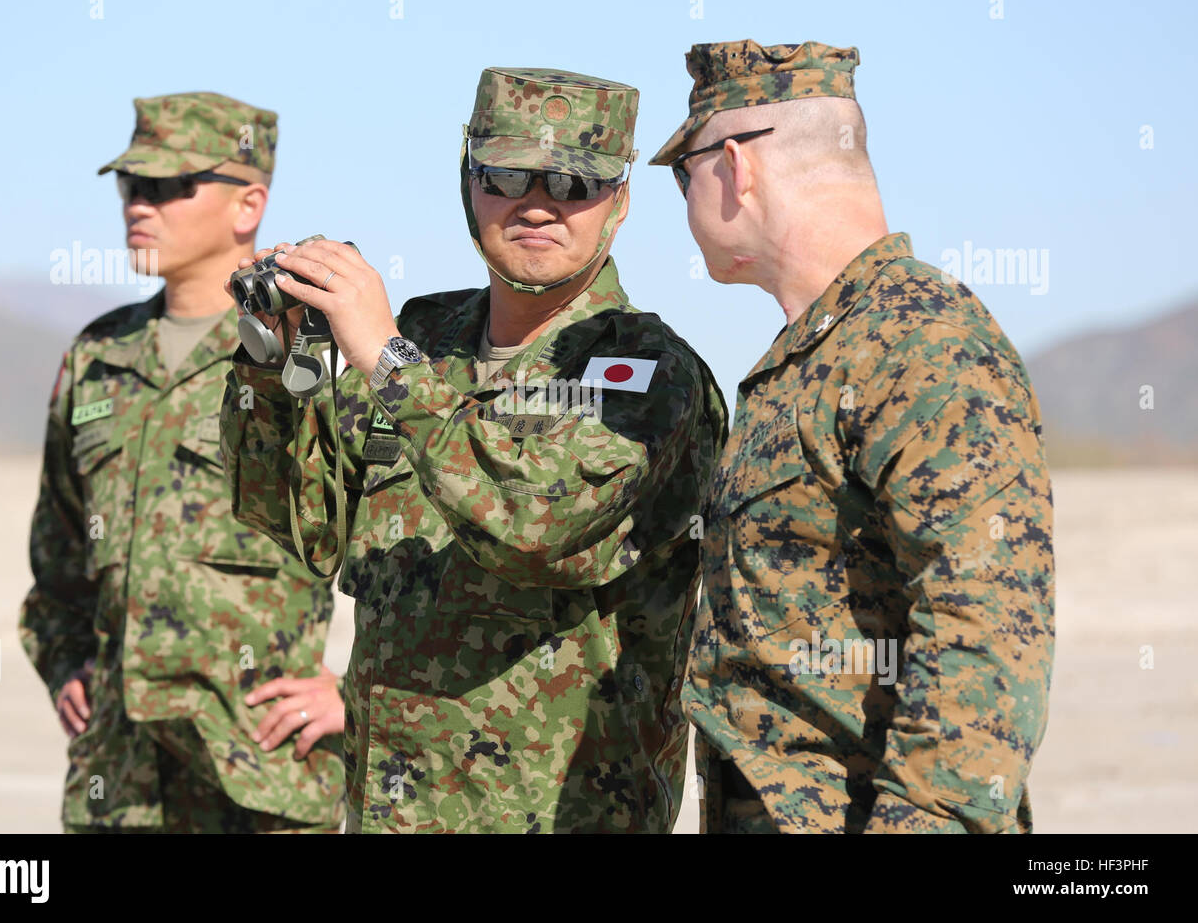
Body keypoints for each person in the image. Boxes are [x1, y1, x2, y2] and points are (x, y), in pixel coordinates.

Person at [220, 67, 727, 832]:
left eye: (572, 181)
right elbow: (299, 526)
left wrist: (387, 363)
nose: (536, 204)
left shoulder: (645, 373)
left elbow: (531, 525)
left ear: (618, 205)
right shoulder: (427, 337)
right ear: (469, 183)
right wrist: (269, 369)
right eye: (506, 175)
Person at [649, 41, 1055, 833]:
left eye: (682, 172)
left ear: (736, 167)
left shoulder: (924, 343)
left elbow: (988, 641)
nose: (685, 197)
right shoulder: (821, 351)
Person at [20, 91, 345, 832]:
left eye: (170, 186)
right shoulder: (100, 357)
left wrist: (352, 693)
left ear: (247, 205)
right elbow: (59, 556)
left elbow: (409, 555)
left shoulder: (308, 355)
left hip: (258, 781)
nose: (141, 204)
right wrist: (69, 664)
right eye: (133, 185)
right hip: (120, 787)